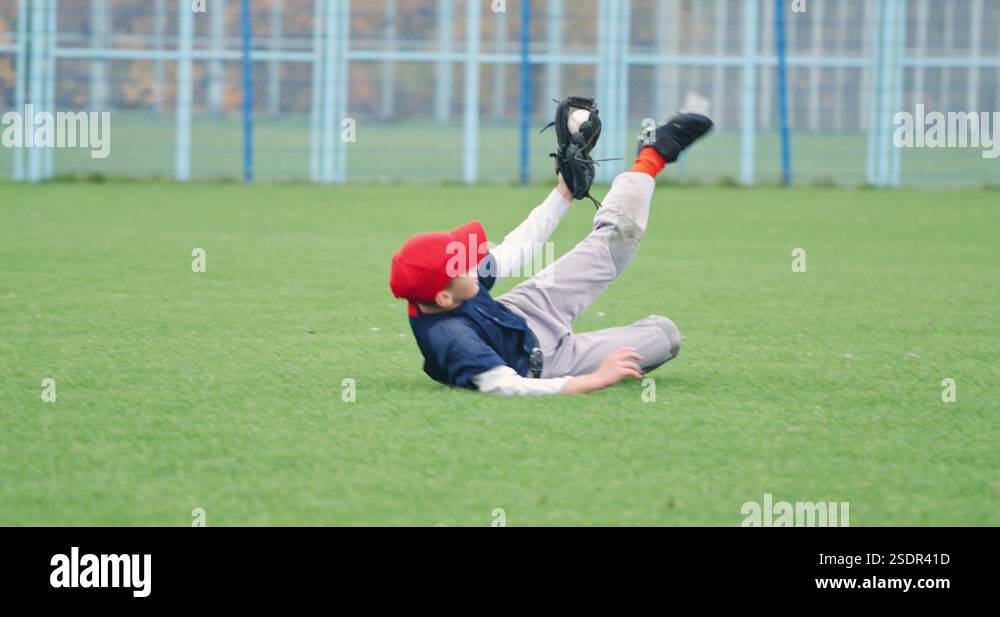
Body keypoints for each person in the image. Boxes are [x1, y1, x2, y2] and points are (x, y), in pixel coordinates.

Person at [389, 102, 713, 395]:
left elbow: (516, 250)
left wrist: (563, 193)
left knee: (611, 242)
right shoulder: (452, 338)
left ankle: (651, 156)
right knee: (665, 334)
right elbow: (506, 385)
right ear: (445, 298)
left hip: (523, 310)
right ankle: (629, 344)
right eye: (462, 264)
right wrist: (592, 380)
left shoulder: (449, 288)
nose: (471, 261)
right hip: (546, 364)